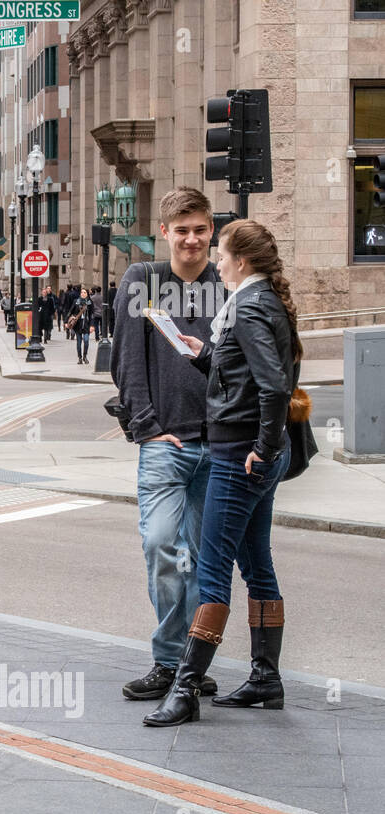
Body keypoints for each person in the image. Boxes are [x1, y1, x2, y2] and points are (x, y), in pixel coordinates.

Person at [144, 220, 300, 726]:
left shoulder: (250, 306)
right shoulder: (262, 303)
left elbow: (273, 386)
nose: (218, 261)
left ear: (243, 262)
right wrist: (204, 354)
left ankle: (185, 688)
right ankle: (265, 678)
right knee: (257, 565)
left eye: (223, 253)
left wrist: (262, 446)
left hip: (239, 456)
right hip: (256, 454)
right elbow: (249, 375)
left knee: (212, 572)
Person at [111, 187, 225, 702]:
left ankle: (191, 665)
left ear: (211, 231)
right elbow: (128, 362)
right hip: (166, 444)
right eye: (182, 230)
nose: (192, 239)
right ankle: (167, 659)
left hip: (221, 446)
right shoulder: (144, 281)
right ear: (165, 233)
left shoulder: (226, 285)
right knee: (162, 545)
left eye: (200, 229)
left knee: (204, 561)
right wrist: (147, 425)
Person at [69, 287, 97, 363]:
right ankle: (80, 358)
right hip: (78, 325)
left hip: (86, 325)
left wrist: (92, 325)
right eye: (82, 292)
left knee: (86, 340)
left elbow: (92, 315)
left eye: (85, 292)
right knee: (79, 342)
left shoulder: (89, 302)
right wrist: (66, 321)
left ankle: (85, 356)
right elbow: (70, 311)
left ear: (87, 294)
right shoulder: (76, 301)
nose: (83, 294)